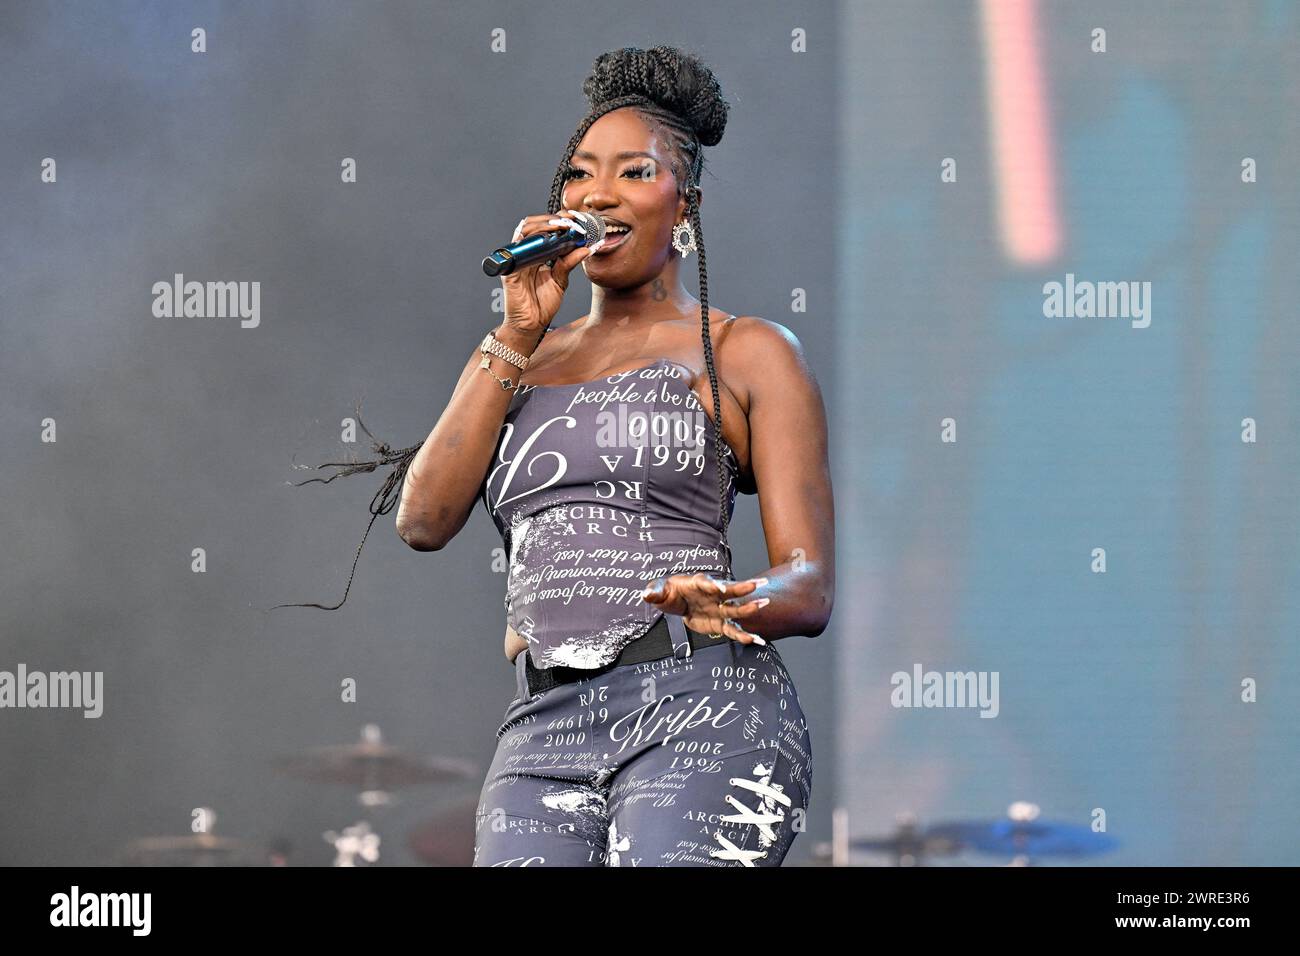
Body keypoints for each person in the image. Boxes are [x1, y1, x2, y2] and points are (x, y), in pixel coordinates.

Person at [287, 45, 835, 866]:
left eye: (632, 172)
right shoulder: (522, 359)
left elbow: (810, 583)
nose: (597, 193)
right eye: (579, 175)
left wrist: (738, 598)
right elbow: (425, 519)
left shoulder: (745, 350)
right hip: (543, 728)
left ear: (683, 203)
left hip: (701, 704)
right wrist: (513, 334)